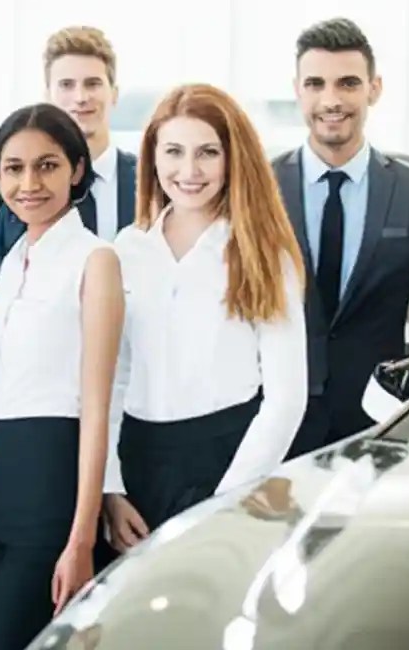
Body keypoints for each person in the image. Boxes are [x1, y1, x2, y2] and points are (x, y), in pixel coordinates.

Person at [0, 103, 123, 647]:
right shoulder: (12, 258)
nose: (28, 183)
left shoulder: (96, 260)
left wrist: (82, 538)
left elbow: (96, 404)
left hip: (47, 476)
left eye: (47, 166)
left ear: (76, 171)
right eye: (13, 168)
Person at [103, 84, 309, 551]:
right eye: (173, 151)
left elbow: (286, 397)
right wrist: (110, 488)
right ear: (152, 156)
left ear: (233, 159)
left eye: (207, 153)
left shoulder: (263, 253)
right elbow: (115, 377)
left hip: (229, 459)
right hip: (138, 465)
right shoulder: (127, 248)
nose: (189, 170)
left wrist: (229, 501)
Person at [273, 18, 409, 457]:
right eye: (316, 84)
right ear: (297, 89)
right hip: (271, 423)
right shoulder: (259, 187)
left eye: (348, 83)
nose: (331, 100)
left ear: (374, 89)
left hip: (378, 427)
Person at [0, 27, 137, 257]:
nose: (80, 98)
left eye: (92, 84)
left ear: (114, 94)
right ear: (47, 96)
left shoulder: (149, 181)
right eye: (66, 85)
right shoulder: (21, 189)